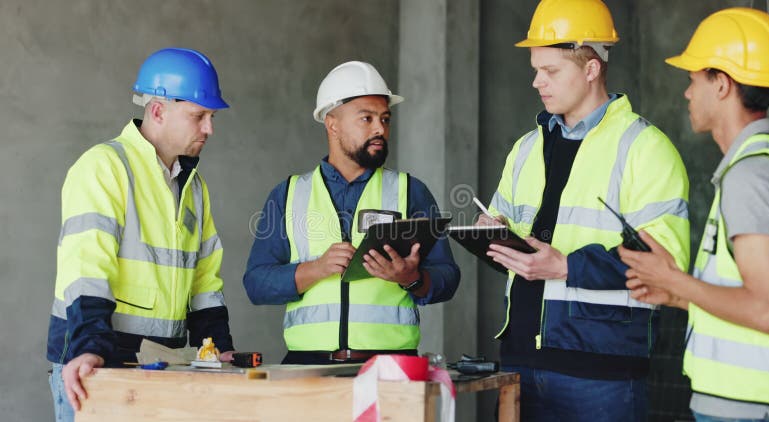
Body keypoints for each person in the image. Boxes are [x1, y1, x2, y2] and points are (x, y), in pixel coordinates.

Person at [478, 0, 690, 420]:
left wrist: (566, 266)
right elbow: (518, 257)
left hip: (603, 372)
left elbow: (665, 261)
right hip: (519, 363)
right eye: (535, 69)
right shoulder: (525, 148)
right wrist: (491, 235)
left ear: (591, 69)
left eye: (551, 71)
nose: (537, 82)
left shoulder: (644, 149)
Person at [620, 8, 769, 421]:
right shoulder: (759, 166)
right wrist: (678, 295)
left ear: (721, 84)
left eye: (693, 79)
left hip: (752, 407)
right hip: (749, 404)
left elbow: (765, 310)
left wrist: (675, 280)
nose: (687, 93)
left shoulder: (752, 176)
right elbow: (749, 298)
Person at [46, 48, 235, 421]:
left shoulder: (193, 187)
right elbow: (86, 271)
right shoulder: (104, 167)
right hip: (98, 366)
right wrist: (88, 348)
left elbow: (205, 282)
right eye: (199, 116)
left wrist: (217, 348)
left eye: (211, 118)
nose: (209, 129)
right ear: (159, 111)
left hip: (162, 368)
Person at [243, 61, 460, 364]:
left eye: (385, 119)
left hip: (390, 367)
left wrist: (412, 278)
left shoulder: (411, 191)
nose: (380, 129)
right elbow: (256, 284)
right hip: (308, 368)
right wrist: (316, 269)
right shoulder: (288, 195)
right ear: (332, 124)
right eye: (366, 118)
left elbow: (448, 276)